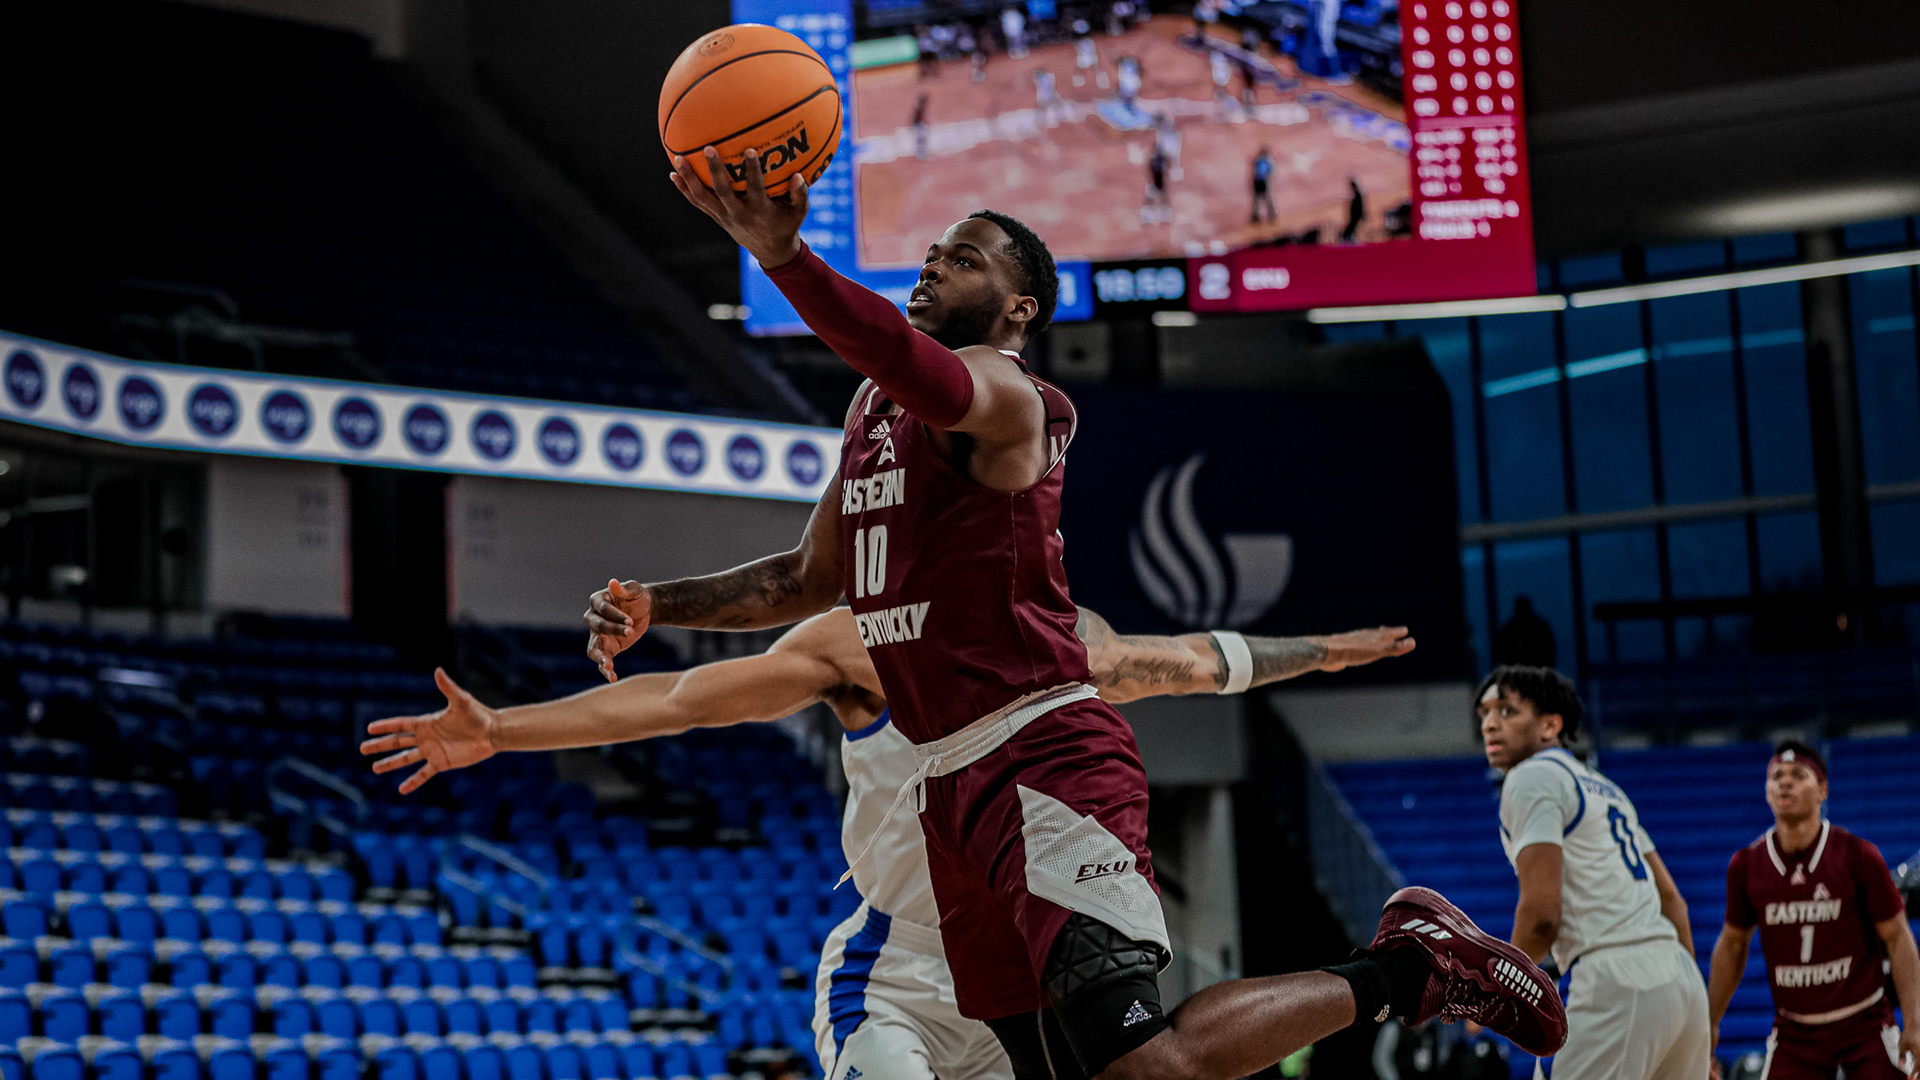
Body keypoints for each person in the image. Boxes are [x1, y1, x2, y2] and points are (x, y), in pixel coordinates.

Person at [624, 146, 1566, 1080]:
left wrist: (786, 258)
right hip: (949, 784)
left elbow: (910, 364)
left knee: (1140, 1067)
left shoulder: (1010, 396)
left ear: (1019, 307)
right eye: (933, 254)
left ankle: (1411, 967)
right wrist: (657, 603)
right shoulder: (875, 413)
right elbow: (803, 578)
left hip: (1040, 750)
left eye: (963, 259)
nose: (933, 266)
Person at [364, 609, 1418, 1080]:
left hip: (1024, 975)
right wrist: (503, 729)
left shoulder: (1055, 637)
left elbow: (1193, 662)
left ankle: (1403, 973)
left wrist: (1326, 652)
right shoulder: (860, 641)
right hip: (899, 976)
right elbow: (680, 699)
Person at [1478, 666, 1711, 1080]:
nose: (1490, 724)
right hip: (1681, 976)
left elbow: (1542, 916)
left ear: (1550, 725)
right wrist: (1689, 1008)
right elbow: (1673, 902)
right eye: (1484, 713)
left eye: (1507, 711)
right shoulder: (1607, 788)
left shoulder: (1531, 777)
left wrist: (1496, 991)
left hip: (1613, 979)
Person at [1706, 741, 1920, 1080]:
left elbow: (1898, 937)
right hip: (1795, 1032)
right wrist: (1710, 1024)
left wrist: (1914, 1023)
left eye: (1798, 775)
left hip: (1865, 1024)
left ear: (1822, 789)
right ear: (1766, 791)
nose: (1785, 782)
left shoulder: (1858, 856)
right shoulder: (1747, 865)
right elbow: (1732, 945)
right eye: (1777, 776)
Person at [1491, 596, 1555, 669]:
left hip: (1523, 668)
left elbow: (1501, 648)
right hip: (1534, 667)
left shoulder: (1510, 627)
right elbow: (1549, 648)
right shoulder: (1539, 626)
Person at [1251, 148, 1276, 223]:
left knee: (1268, 199)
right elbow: (1254, 171)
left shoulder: (1269, 161)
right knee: (1257, 200)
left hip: (1265, 182)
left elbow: (1272, 172)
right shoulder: (1258, 161)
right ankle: (1256, 216)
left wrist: (1267, 178)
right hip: (1258, 182)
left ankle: (1271, 215)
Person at [911, 93, 931, 161]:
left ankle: (921, 154)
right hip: (918, 125)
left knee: (921, 139)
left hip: (918, 124)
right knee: (921, 139)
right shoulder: (920, 107)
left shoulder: (919, 105)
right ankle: (921, 154)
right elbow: (917, 117)